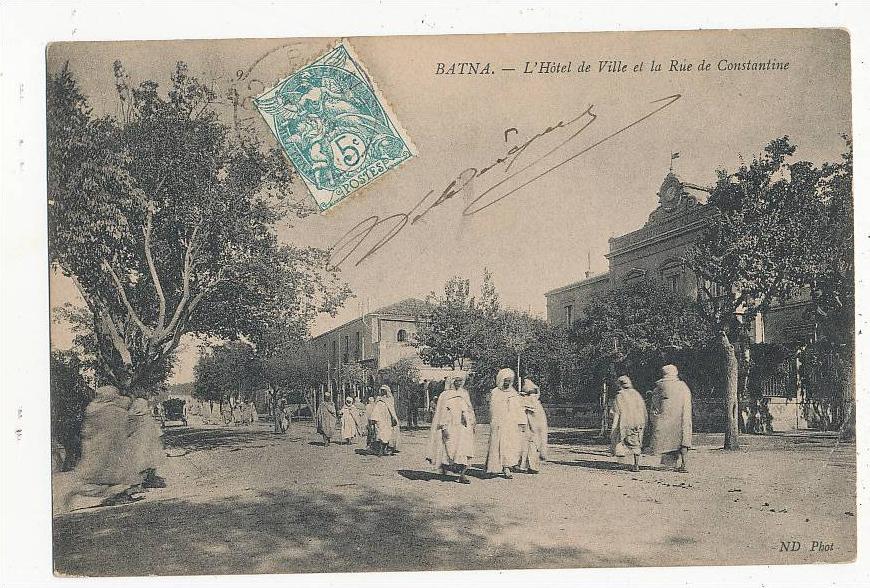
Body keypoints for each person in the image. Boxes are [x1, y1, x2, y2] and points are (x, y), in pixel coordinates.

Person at [57, 385, 139, 512]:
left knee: (102, 477)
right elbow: (128, 426)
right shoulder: (115, 411)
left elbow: (86, 431)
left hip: (95, 447)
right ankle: (73, 492)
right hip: (109, 449)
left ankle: (118, 495)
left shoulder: (93, 409)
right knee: (103, 478)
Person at [426, 373, 476, 483]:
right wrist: (444, 428)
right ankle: (445, 467)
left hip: (463, 427)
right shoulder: (445, 395)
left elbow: (469, 409)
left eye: (460, 380)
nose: (458, 383)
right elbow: (442, 412)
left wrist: (472, 422)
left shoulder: (464, 394)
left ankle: (462, 475)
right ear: (452, 382)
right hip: (451, 426)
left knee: (463, 450)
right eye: (456, 381)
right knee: (449, 449)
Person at [647, 365, 693, 472]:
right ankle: (683, 464)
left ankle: (670, 463)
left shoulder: (660, 387)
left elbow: (655, 405)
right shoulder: (682, 386)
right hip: (682, 417)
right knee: (683, 439)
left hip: (667, 419)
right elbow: (687, 403)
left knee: (668, 440)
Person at [486, 368, 526, 478]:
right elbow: (493, 409)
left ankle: (507, 467)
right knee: (497, 445)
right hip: (499, 423)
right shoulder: (495, 392)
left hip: (511, 424)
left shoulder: (513, 393)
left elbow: (518, 408)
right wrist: (496, 420)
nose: (507, 382)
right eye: (505, 380)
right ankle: (493, 467)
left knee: (509, 446)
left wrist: (521, 422)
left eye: (509, 380)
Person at [610, 375, 648, 472]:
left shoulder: (619, 396)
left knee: (620, 440)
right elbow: (642, 409)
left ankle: (622, 462)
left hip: (624, 422)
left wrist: (614, 422)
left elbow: (616, 411)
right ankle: (636, 464)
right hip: (637, 422)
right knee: (636, 442)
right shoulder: (636, 394)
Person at [126, 397, 167, 488]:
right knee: (149, 462)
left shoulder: (130, 420)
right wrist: (161, 444)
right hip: (147, 446)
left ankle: (137, 481)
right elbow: (158, 433)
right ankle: (147, 480)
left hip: (134, 447)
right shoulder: (148, 419)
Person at [518, 378, 549, 473]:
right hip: (533, 428)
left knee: (531, 447)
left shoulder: (529, 401)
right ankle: (529, 466)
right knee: (531, 447)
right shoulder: (535, 401)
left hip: (533, 428)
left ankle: (530, 466)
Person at [370, 385, 399, 456]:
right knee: (381, 434)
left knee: (387, 434)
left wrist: (393, 418)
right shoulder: (378, 399)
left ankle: (385, 449)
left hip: (388, 420)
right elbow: (376, 410)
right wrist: (374, 419)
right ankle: (381, 450)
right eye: (382, 390)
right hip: (380, 420)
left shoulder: (390, 399)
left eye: (384, 390)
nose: (383, 392)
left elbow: (392, 410)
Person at [383, 384, 401, 453]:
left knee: (391, 431)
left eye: (384, 391)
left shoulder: (390, 399)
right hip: (383, 417)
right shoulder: (380, 399)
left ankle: (391, 447)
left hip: (390, 416)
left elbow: (391, 408)